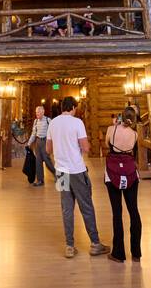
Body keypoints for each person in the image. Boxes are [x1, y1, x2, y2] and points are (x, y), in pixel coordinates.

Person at [46, 96, 107, 258]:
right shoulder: (77, 123)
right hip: (77, 171)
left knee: (67, 209)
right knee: (86, 206)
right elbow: (86, 148)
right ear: (72, 107)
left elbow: (48, 149)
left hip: (61, 172)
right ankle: (95, 243)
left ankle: (69, 246)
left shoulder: (53, 123)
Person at [104, 106, 143, 263]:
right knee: (133, 210)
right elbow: (133, 149)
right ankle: (136, 253)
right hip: (130, 171)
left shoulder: (111, 129)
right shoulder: (135, 134)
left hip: (113, 170)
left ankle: (119, 253)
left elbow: (108, 145)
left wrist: (115, 126)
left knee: (117, 212)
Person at [26, 104, 53, 186]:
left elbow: (53, 132)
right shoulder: (36, 121)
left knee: (47, 160)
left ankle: (57, 174)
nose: (37, 114)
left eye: (38, 112)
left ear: (43, 112)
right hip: (37, 142)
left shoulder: (48, 120)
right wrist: (29, 143)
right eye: (36, 112)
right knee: (38, 161)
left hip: (45, 142)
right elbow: (33, 134)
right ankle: (40, 180)